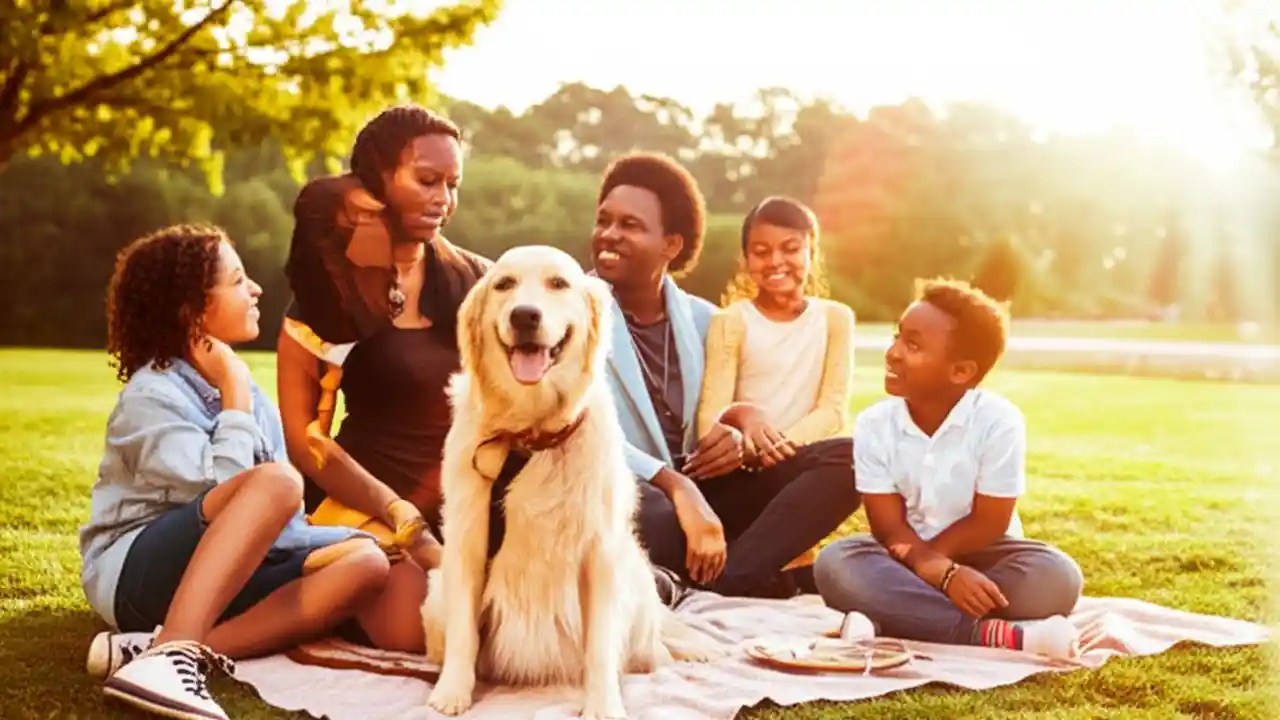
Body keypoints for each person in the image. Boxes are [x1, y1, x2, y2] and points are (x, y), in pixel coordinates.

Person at [80, 225, 400, 720]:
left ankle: (161, 651)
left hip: (220, 575)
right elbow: (224, 491)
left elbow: (276, 521)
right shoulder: (153, 396)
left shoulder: (247, 393)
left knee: (367, 564)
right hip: (135, 576)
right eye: (237, 280)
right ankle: (174, 653)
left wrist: (346, 541)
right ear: (192, 310)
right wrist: (232, 387)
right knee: (278, 480)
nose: (256, 289)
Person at [591, 152, 860, 598]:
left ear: (672, 245)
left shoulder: (707, 320)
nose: (609, 235)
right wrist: (674, 484)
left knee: (852, 458)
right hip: (628, 490)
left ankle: (729, 576)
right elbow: (577, 426)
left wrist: (739, 426)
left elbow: (721, 412)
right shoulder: (568, 312)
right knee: (654, 513)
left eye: (630, 225)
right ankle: (742, 568)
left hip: (710, 492)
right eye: (604, 220)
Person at [814, 279, 1084, 657]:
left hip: (988, 554)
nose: (892, 353)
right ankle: (993, 636)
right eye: (897, 337)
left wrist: (942, 572)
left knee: (1059, 577)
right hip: (902, 551)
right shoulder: (875, 424)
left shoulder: (998, 421)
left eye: (913, 345)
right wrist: (940, 574)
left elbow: (990, 522)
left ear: (960, 371)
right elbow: (887, 526)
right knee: (836, 562)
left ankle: (888, 618)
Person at [276, 105, 488, 572]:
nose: (443, 200)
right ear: (375, 180)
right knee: (418, 628)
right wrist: (402, 517)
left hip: (474, 500)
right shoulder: (326, 296)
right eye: (427, 180)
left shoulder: (482, 283)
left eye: (453, 185)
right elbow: (305, 440)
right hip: (367, 505)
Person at [696, 196, 855, 582]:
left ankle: (747, 576)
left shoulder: (835, 318)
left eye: (791, 248)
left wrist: (778, 447)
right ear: (746, 259)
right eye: (761, 251)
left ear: (811, 250)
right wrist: (752, 445)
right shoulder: (732, 321)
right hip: (739, 474)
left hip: (794, 467)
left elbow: (832, 410)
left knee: (859, 456)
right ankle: (740, 577)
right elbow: (709, 422)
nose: (775, 262)